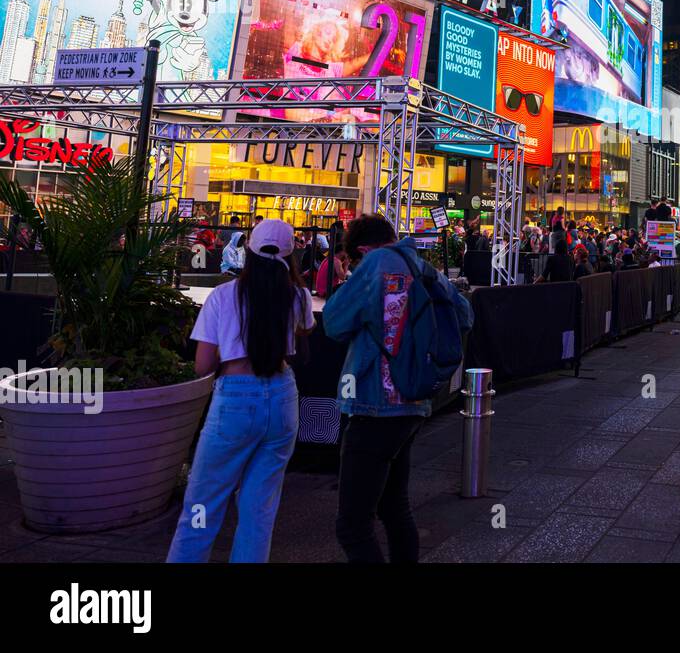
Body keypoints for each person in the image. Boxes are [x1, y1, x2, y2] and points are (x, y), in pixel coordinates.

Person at [323, 214, 473, 563]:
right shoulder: (422, 266)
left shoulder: (375, 262)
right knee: (394, 509)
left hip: (374, 402)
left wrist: (353, 286)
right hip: (414, 400)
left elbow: (333, 322)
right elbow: (465, 316)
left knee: (353, 525)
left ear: (361, 249)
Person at [167, 219, 312, 562]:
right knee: (259, 509)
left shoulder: (223, 295)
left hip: (234, 398)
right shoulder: (298, 295)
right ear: (292, 253)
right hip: (282, 397)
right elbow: (302, 333)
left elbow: (202, 365)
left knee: (203, 501)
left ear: (248, 249)